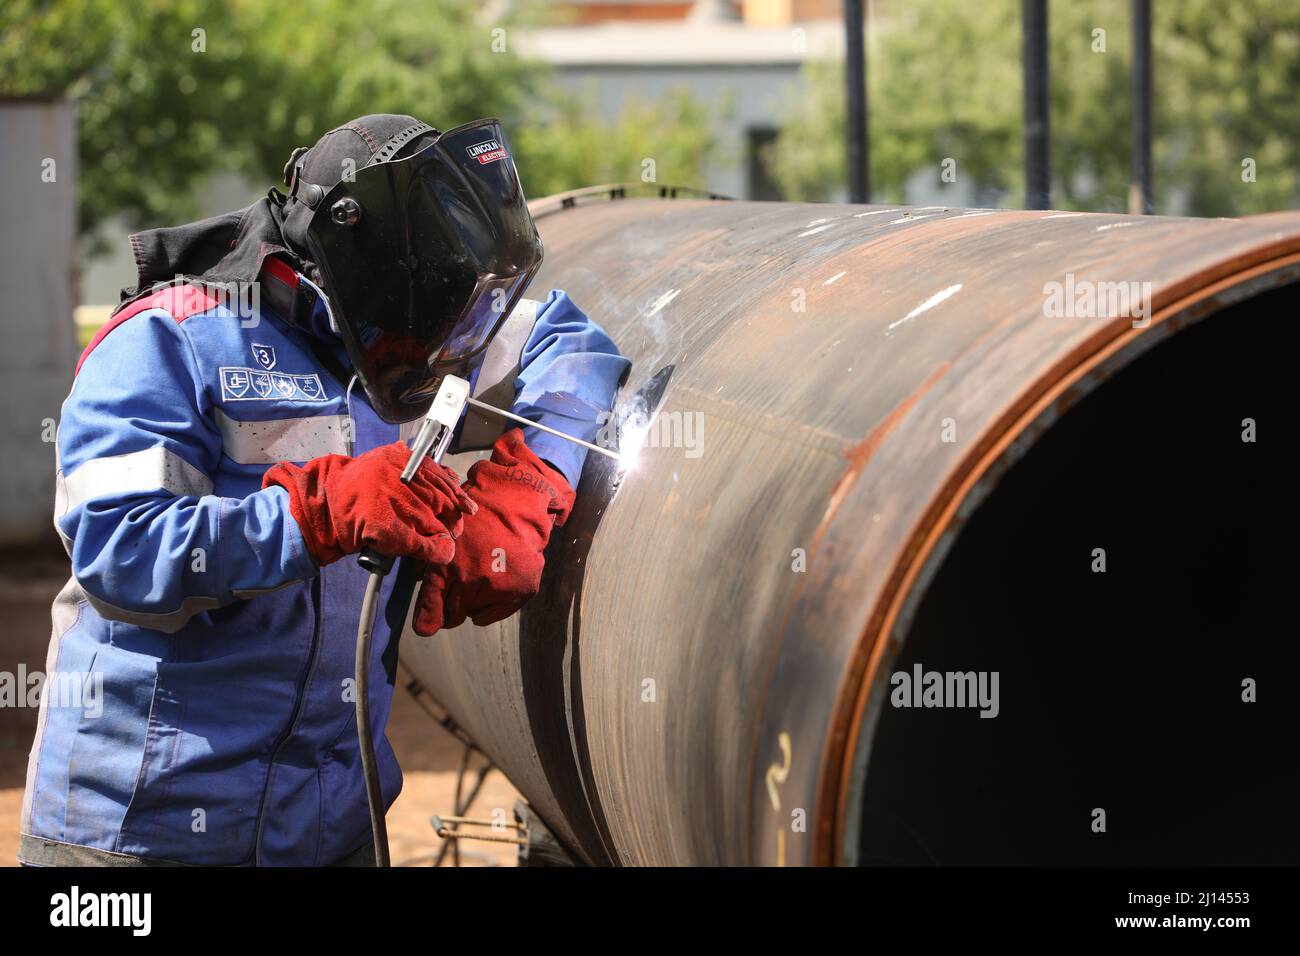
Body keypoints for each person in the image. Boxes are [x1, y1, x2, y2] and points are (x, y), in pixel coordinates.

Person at [20, 114, 630, 866]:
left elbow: (575, 348)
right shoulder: (169, 339)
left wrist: (528, 486)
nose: (443, 349)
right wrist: (310, 517)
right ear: (356, 265)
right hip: (142, 831)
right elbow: (118, 547)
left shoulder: (422, 328)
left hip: (329, 828)